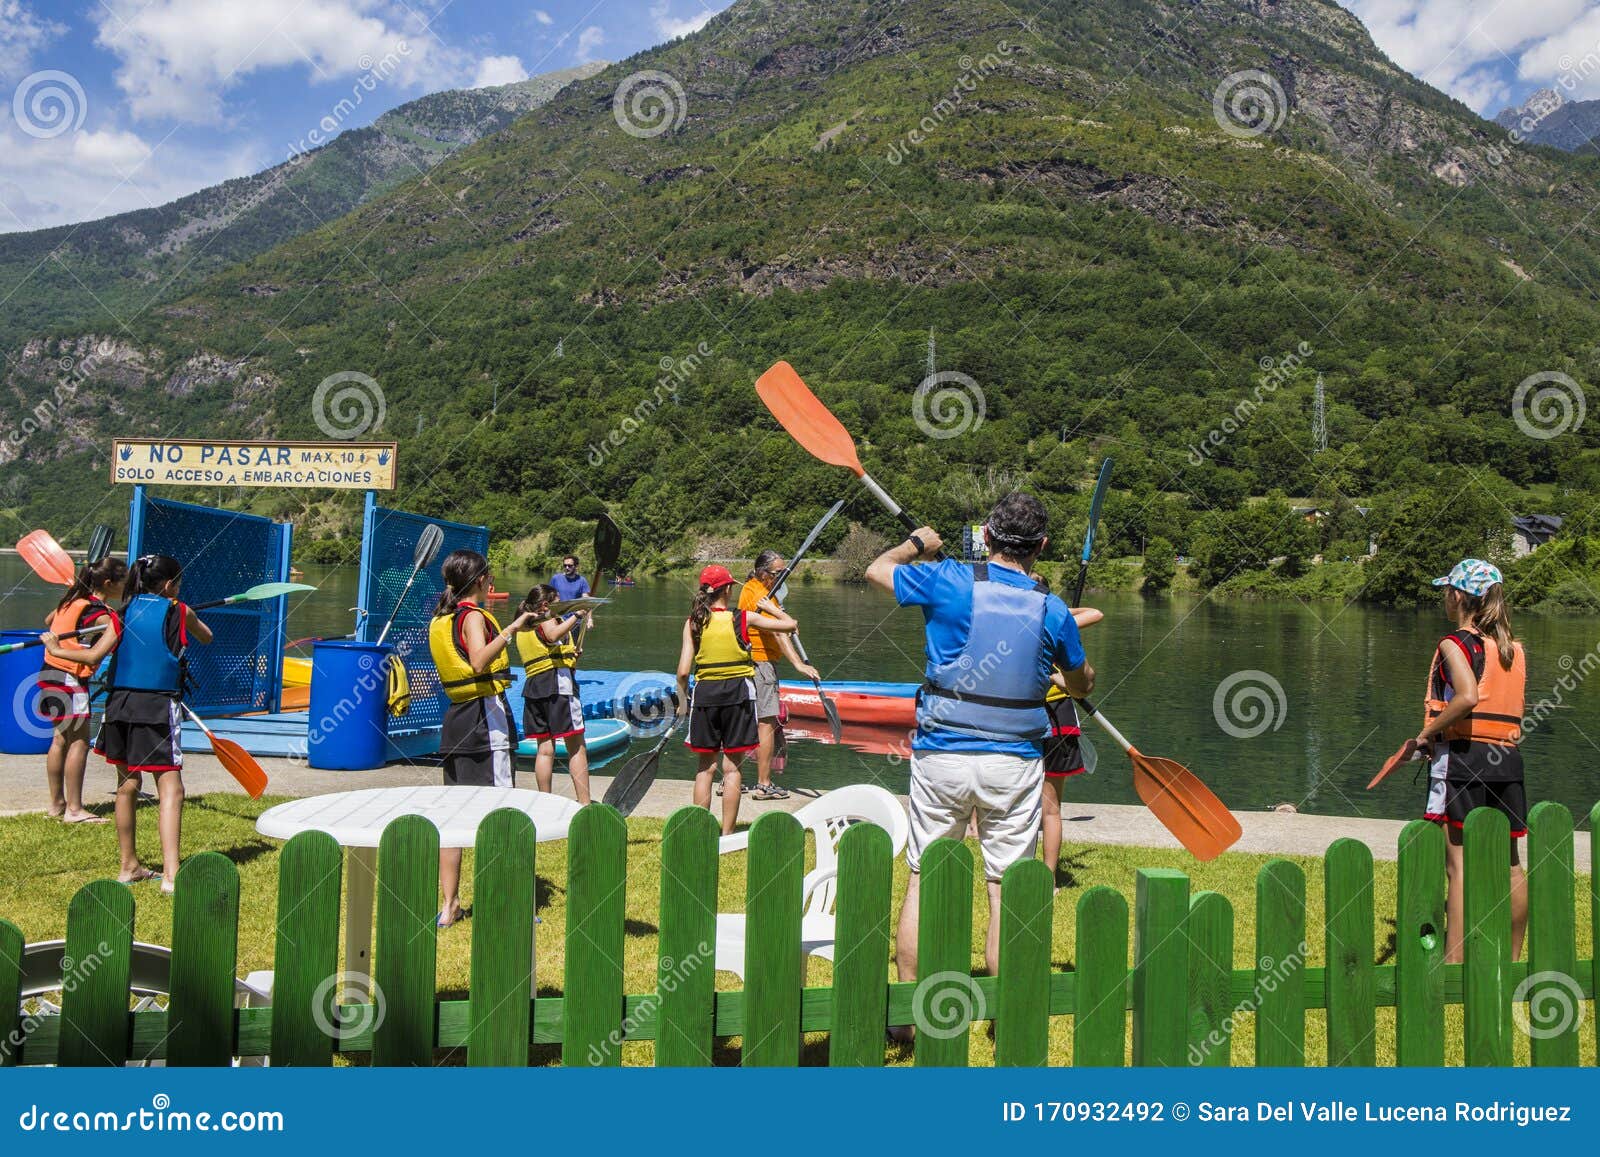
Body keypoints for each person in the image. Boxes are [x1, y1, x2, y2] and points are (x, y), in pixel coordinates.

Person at [865, 492, 1093, 995]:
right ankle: (1006, 1014)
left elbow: (877, 570)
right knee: (1006, 892)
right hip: (1013, 765)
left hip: (942, 756)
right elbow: (1081, 684)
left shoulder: (946, 580)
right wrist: (1072, 676)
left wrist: (915, 543)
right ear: (1042, 546)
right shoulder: (1052, 609)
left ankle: (906, 1018)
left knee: (925, 880)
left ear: (986, 536)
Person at [1416, 559, 1528, 964]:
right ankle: (1512, 961)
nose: (1444, 597)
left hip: (1463, 759)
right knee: (1511, 864)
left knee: (1458, 865)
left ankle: (1453, 964)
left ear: (1459, 596)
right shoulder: (1510, 649)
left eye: (1447, 590)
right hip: (1507, 760)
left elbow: (1466, 697)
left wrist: (1427, 735)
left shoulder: (1454, 643)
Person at [429, 549, 535, 926]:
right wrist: (510, 629)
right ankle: (508, 900)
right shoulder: (472, 617)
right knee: (502, 811)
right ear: (478, 581)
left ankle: (450, 904)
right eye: (488, 577)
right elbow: (477, 662)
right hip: (483, 721)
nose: (492, 583)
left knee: (454, 815)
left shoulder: (444, 617)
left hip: (456, 721)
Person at [95, 554, 213, 891]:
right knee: (171, 788)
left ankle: (127, 866)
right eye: (178, 582)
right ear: (168, 585)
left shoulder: (122, 611)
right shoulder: (179, 610)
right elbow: (206, 637)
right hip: (157, 706)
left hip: (119, 705)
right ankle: (173, 875)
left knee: (127, 784)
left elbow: (98, 656)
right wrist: (185, 610)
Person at [675, 565, 797, 834]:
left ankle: (699, 832)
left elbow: (683, 671)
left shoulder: (693, 621)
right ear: (728, 589)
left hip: (705, 694)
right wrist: (772, 607)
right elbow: (790, 625)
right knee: (732, 769)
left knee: (705, 768)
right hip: (738, 694)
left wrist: (683, 702)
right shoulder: (743, 618)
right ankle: (727, 834)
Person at [38, 555, 128, 823]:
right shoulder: (98, 613)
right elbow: (98, 648)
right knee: (78, 742)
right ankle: (74, 810)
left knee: (59, 739)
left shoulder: (72, 600)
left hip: (49, 673)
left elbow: (48, 620)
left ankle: (56, 805)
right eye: (124, 582)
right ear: (110, 583)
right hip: (69, 678)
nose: (127, 586)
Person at [737, 550, 820, 801]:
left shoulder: (750, 589)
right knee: (767, 724)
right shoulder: (761, 595)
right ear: (763, 573)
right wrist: (798, 664)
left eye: (784, 573)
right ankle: (763, 784)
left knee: (743, 720)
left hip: (747, 662)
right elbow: (780, 633)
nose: (781, 578)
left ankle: (731, 780)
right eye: (777, 574)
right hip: (761, 664)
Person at [515, 583, 589, 804]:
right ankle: (585, 804)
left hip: (535, 687)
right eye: (558, 602)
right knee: (576, 746)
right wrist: (576, 615)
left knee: (545, 749)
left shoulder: (523, 624)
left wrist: (570, 654)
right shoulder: (545, 618)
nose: (561, 607)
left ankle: (544, 802)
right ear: (546, 604)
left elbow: (548, 647)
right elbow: (551, 635)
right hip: (557, 686)